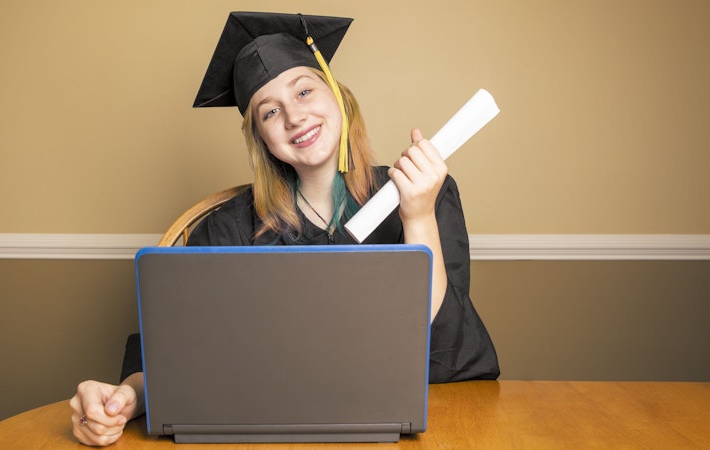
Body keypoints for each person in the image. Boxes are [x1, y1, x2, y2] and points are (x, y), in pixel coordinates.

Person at [70, 11, 499, 446]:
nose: (294, 117)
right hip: (274, 431)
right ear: (260, 138)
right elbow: (174, 352)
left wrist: (418, 216)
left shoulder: (421, 192)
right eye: (270, 111)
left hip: (417, 426)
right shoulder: (228, 230)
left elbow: (443, 346)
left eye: (305, 90)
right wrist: (125, 397)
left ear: (338, 97)